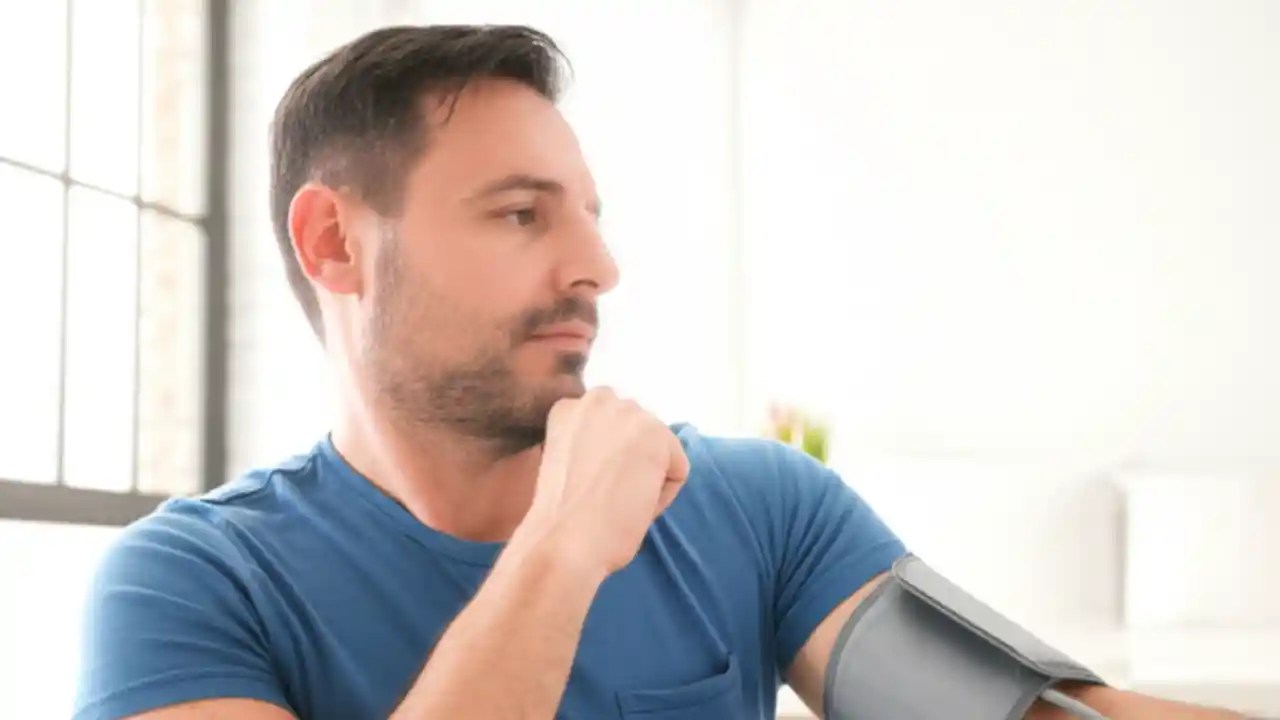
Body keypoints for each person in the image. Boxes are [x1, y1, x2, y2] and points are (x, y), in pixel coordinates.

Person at [74, 25, 1249, 720]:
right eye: (521, 214)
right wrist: (560, 549)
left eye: (587, 216)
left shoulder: (752, 505)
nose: (596, 265)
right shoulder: (185, 585)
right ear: (334, 242)